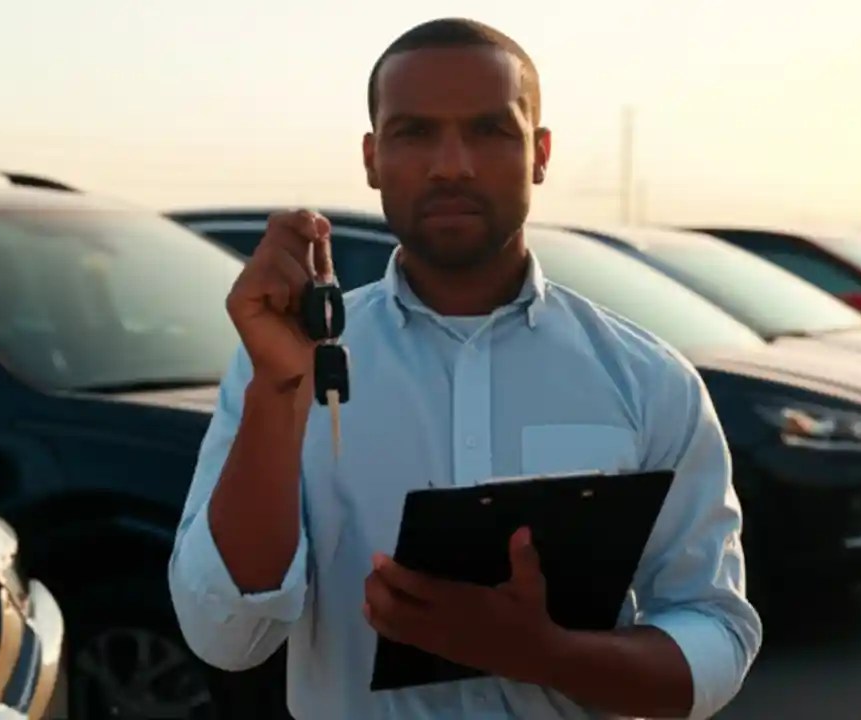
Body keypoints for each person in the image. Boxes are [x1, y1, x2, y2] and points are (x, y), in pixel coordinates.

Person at [169, 17, 762, 720]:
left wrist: (546, 654)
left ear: (540, 152)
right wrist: (278, 390)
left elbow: (715, 631)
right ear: (371, 157)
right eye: (414, 133)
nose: (452, 164)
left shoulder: (646, 380)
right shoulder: (282, 369)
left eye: (490, 130)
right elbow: (226, 636)